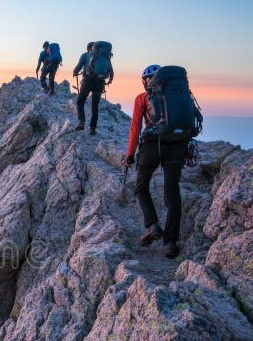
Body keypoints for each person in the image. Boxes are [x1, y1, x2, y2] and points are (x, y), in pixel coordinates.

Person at [125, 64, 187, 259]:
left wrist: (130, 154)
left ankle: (152, 225)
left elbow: (135, 128)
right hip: (177, 145)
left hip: (152, 146)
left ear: (147, 82)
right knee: (172, 192)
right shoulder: (179, 94)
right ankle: (170, 243)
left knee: (141, 188)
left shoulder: (142, 98)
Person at [73, 42, 113, 135]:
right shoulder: (106, 57)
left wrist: (75, 72)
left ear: (88, 49)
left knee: (80, 101)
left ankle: (81, 122)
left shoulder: (85, 55)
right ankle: (92, 128)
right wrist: (110, 79)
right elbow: (111, 71)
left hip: (88, 81)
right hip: (100, 82)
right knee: (95, 106)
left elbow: (78, 67)